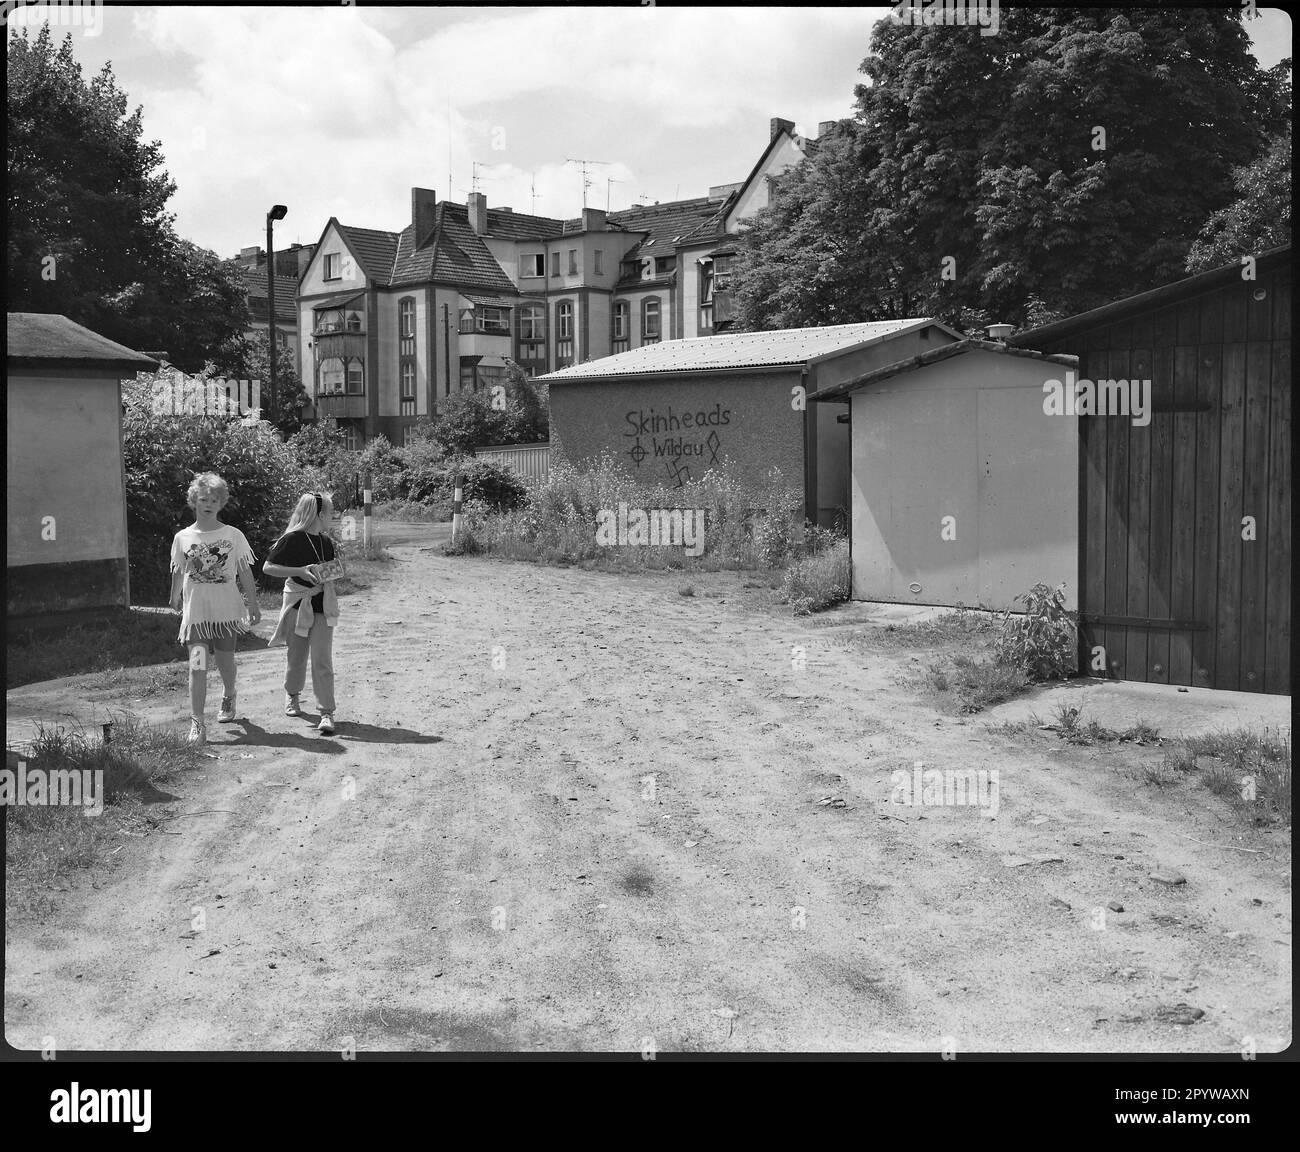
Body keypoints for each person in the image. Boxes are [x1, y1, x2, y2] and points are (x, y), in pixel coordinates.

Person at [169, 472, 261, 746]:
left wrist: (253, 603)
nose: (208, 504)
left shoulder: (232, 535)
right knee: (197, 665)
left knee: (224, 662)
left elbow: (244, 572)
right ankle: (197, 723)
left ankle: (229, 692)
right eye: (203, 499)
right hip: (196, 614)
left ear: (221, 503)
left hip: (225, 613)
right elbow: (179, 570)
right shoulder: (182, 537)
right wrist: (174, 596)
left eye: (213, 499)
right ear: (194, 502)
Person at [264, 492, 341, 734]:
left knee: (322, 659)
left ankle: (326, 712)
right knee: (296, 656)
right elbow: (268, 568)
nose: (332, 516)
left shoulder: (326, 542)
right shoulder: (292, 539)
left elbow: (326, 571)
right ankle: (292, 695)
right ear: (319, 514)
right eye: (330, 512)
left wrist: (335, 571)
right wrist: (299, 570)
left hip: (322, 604)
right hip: (298, 603)